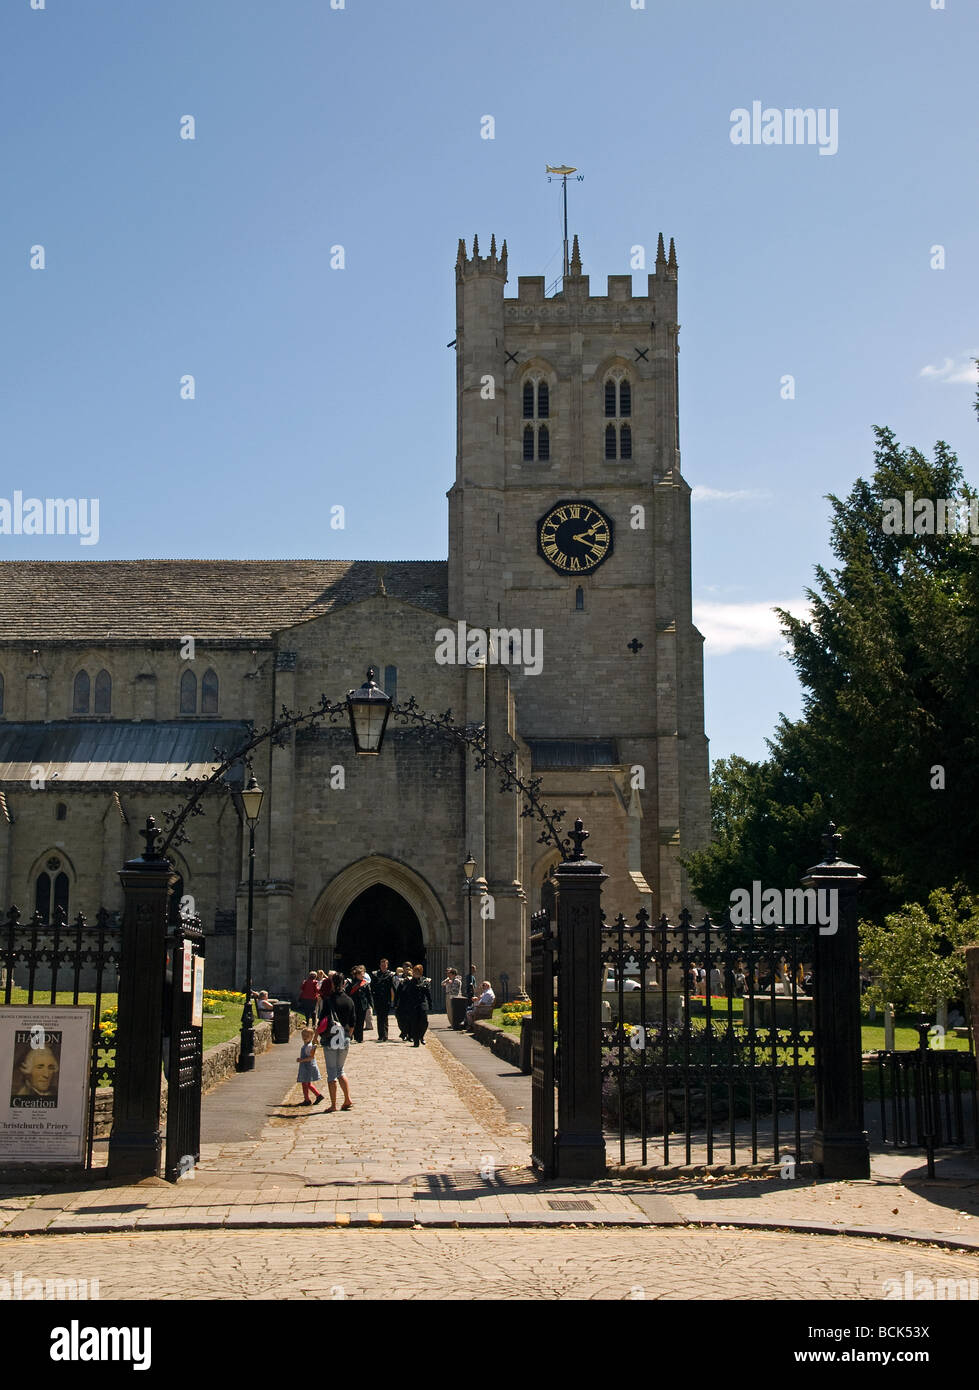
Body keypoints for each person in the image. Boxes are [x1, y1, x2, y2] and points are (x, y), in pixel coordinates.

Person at [316, 972, 355, 1110]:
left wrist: (316, 1036)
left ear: (332, 984)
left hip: (330, 1038)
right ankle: (347, 1099)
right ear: (344, 984)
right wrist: (347, 1036)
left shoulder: (328, 1000)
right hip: (344, 1037)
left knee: (332, 1072)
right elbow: (353, 1023)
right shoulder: (349, 1000)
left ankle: (333, 1105)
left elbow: (321, 1021)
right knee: (340, 1069)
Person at [399, 964, 432, 1047]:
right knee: (414, 1023)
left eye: (418, 972)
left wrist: (430, 1004)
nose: (416, 974)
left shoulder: (425, 981)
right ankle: (416, 1041)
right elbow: (404, 993)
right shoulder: (409, 981)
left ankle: (421, 1036)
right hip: (412, 1005)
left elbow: (428, 994)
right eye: (415, 972)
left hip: (422, 1004)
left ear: (421, 973)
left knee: (424, 1022)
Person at [296, 1029, 324, 1106]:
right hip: (305, 1067)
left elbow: (311, 1057)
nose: (305, 1037)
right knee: (305, 1083)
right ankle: (307, 1099)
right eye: (303, 1035)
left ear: (311, 1036)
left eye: (307, 1036)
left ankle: (317, 1096)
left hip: (308, 1067)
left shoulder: (309, 1046)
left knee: (307, 1083)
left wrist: (301, 1060)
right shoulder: (306, 1045)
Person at [372, 958, 396, 1042]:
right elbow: (372, 987)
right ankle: (380, 1035)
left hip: (386, 998)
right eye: (382, 965)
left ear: (387, 966)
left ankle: (385, 1035)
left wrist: (394, 999)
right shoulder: (375, 974)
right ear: (380, 965)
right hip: (378, 998)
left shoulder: (390, 975)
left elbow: (393, 987)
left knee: (385, 1017)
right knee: (379, 1017)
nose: (383, 967)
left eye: (385, 965)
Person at [348, 965, 374, 1043]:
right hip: (353, 1004)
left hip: (362, 1005)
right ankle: (351, 1035)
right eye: (361, 974)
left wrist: (371, 1004)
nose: (362, 976)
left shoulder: (365, 984)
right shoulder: (351, 983)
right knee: (353, 1021)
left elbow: (369, 995)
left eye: (363, 974)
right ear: (356, 975)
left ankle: (359, 1038)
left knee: (361, 1021)